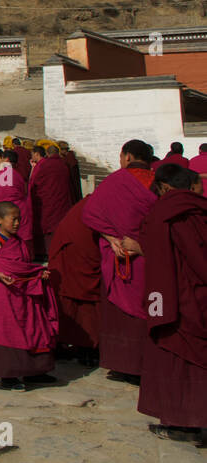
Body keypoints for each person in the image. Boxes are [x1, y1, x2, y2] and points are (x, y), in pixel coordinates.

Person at [137, 164, 207, 441]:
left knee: (176, 358)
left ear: (165, 187)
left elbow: (162, 259)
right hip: (197, 295)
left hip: (175, 298)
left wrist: (156, 305)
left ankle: (182, 424)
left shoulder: (165, 214)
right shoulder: (199, 211)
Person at [81, 139, 158, 383]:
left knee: (123, 313)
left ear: (126, 156)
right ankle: (154, 362)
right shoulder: (160, 182)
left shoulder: (115, 181)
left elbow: (91, 213)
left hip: (122, 257)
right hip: (154, 258)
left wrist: (110, 237)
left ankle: (125, 364)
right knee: (155, 309)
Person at [0, 201, 57, 390]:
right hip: (2, 295)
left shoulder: (20, 242)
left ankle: (33, 371)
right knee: (6, 331)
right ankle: (8, 376)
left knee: (30, 328)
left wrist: (38, 274)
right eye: (13, 219)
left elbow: (24, 267)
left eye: (19, 219)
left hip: (23, 294)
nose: (17, 223)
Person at [46, 197, 103, 364]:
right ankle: (85, 345)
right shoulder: (104, 201)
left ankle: (76, 343)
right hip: (77, 246)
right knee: (79, 294)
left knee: (74, 291)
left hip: (81, 243)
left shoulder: (107, 198)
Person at [29, 145, 75, 256]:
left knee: (47, 225)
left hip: (47, 200)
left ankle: (45, 251)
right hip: (62, 199)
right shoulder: (64, 164)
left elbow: (34, 182)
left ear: (48, 154)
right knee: (59, 224)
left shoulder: (44, 165)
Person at [0, 152, 34, 259]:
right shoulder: (16, 174)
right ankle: (23, 256)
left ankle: (7, 256)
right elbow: (23, 192)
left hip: (2, 208)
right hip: (17, 206)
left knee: (4, 232)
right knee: (21, 232)